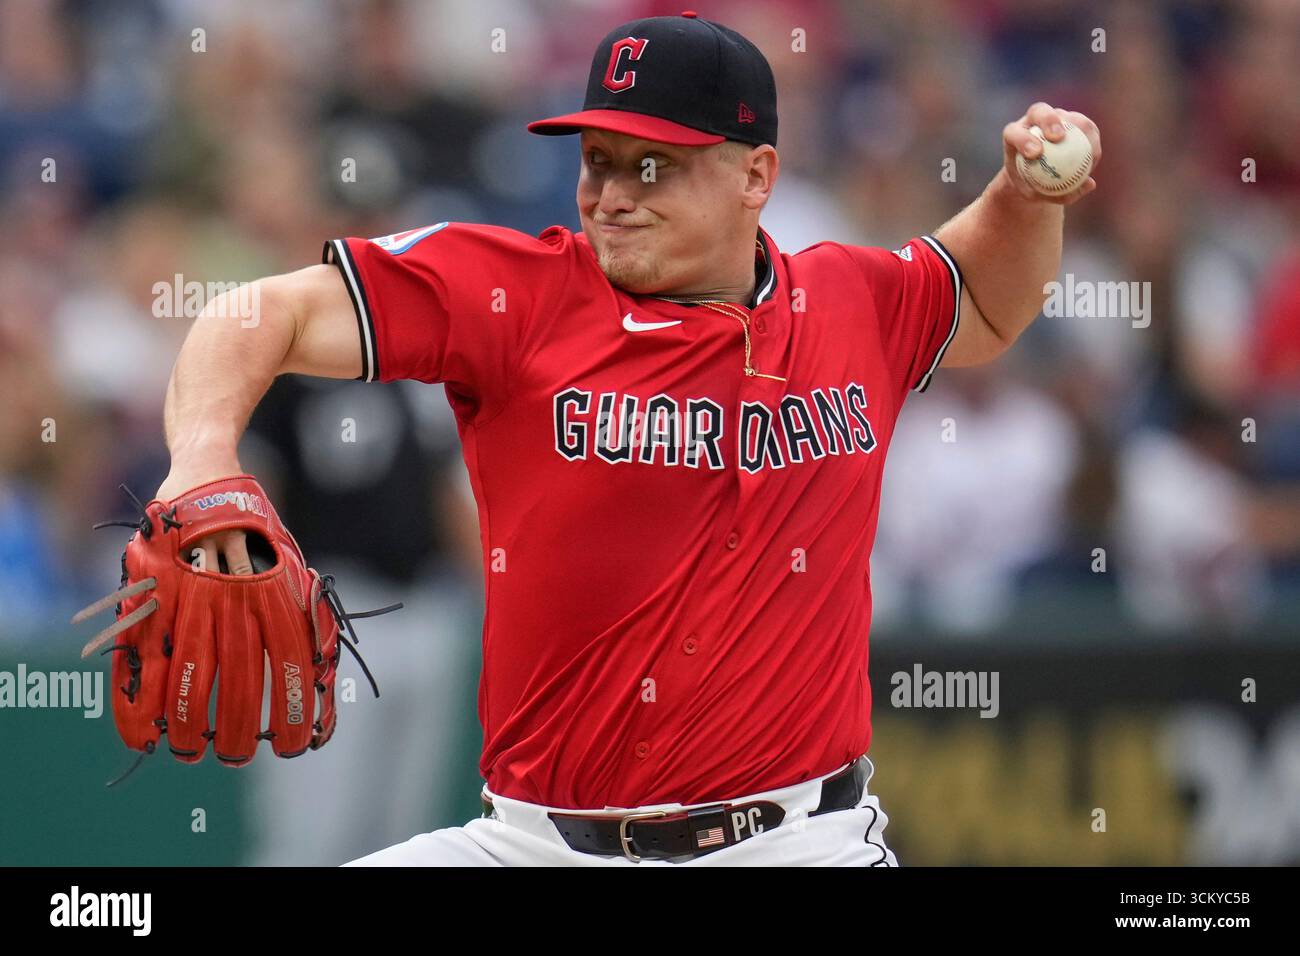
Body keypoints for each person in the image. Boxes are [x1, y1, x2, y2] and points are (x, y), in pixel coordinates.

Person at [152, 13, 1101, 865]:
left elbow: (984, 293)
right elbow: (255, 314)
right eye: (597, 159)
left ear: (756, 175)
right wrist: (201, 457)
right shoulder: (513, 295)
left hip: (798, 845)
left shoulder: (853, 302)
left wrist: (1027, 195)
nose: (612, 192)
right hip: (534, 843)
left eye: (652, 164)